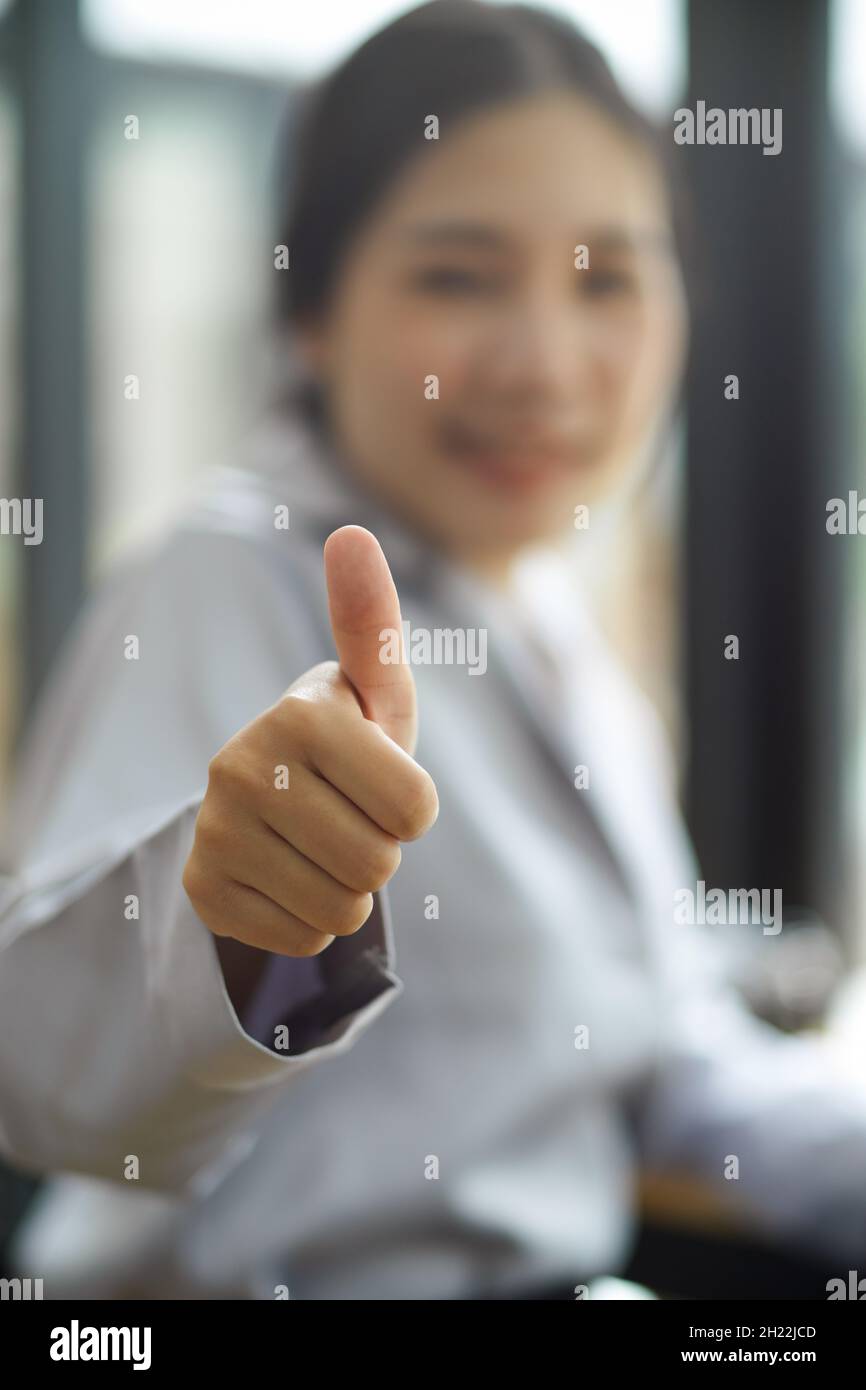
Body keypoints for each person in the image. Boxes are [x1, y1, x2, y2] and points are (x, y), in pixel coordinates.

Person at [1, 0, 865, 1301]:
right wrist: (234, 930)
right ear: (312, 315)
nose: (542, 362)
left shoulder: (551, 640)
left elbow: (667, 1054)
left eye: (607, 278)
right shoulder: (226, 576)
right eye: (457, 275)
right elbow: (47, 1078)